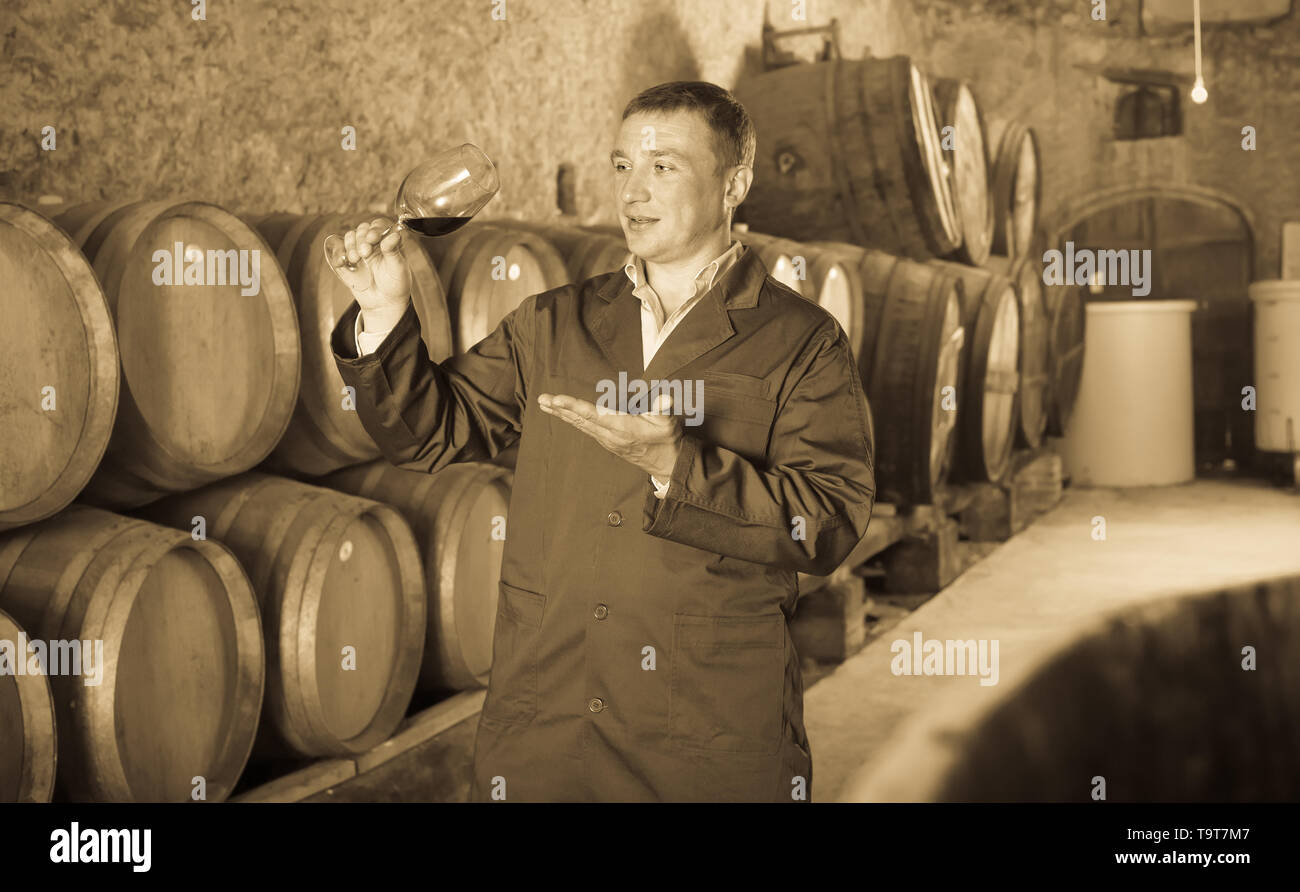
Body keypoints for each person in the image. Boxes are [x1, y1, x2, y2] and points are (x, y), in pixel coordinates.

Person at [330, 81, 875, 802]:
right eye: (622, 166)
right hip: (547, 718)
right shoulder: (553, 322)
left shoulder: (802, 341)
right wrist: (385, 311)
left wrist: (676, 467)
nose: (633, 190)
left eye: (664, 166)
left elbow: (829, 521)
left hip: (707, 730)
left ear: (734, 183)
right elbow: (429, 435)